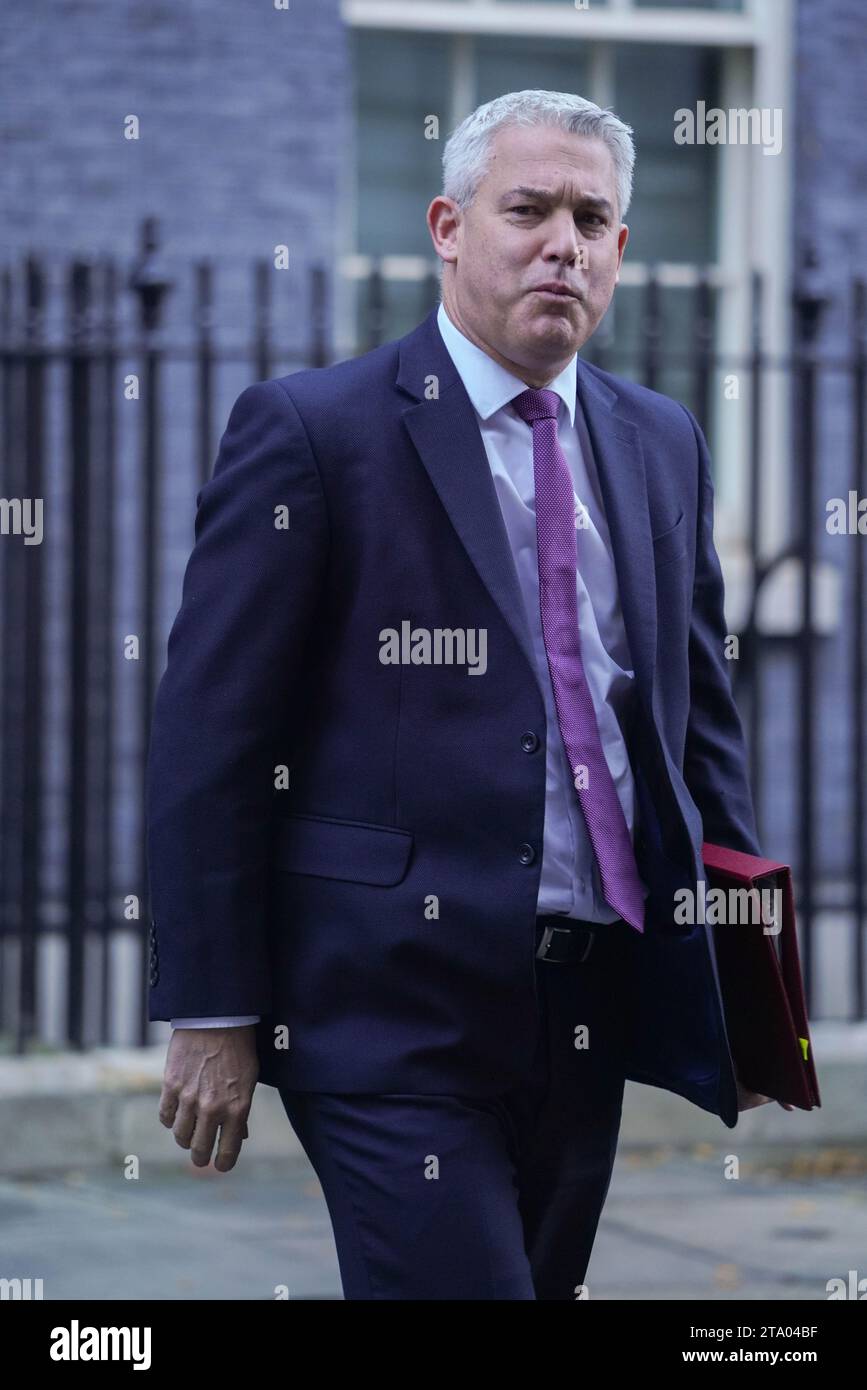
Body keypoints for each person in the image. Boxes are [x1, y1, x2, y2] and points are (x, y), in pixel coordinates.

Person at [148, 90, 789, 1301]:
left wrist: (743, 989)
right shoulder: (313, 434)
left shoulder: (662, 442)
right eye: (528, 208)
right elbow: (210, 739)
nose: (564, 241)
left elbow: (698, 731)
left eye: (592, 217)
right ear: (448, 225)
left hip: (585, 996)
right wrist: (214, 1004)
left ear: (621, 252)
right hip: (385, 1008)